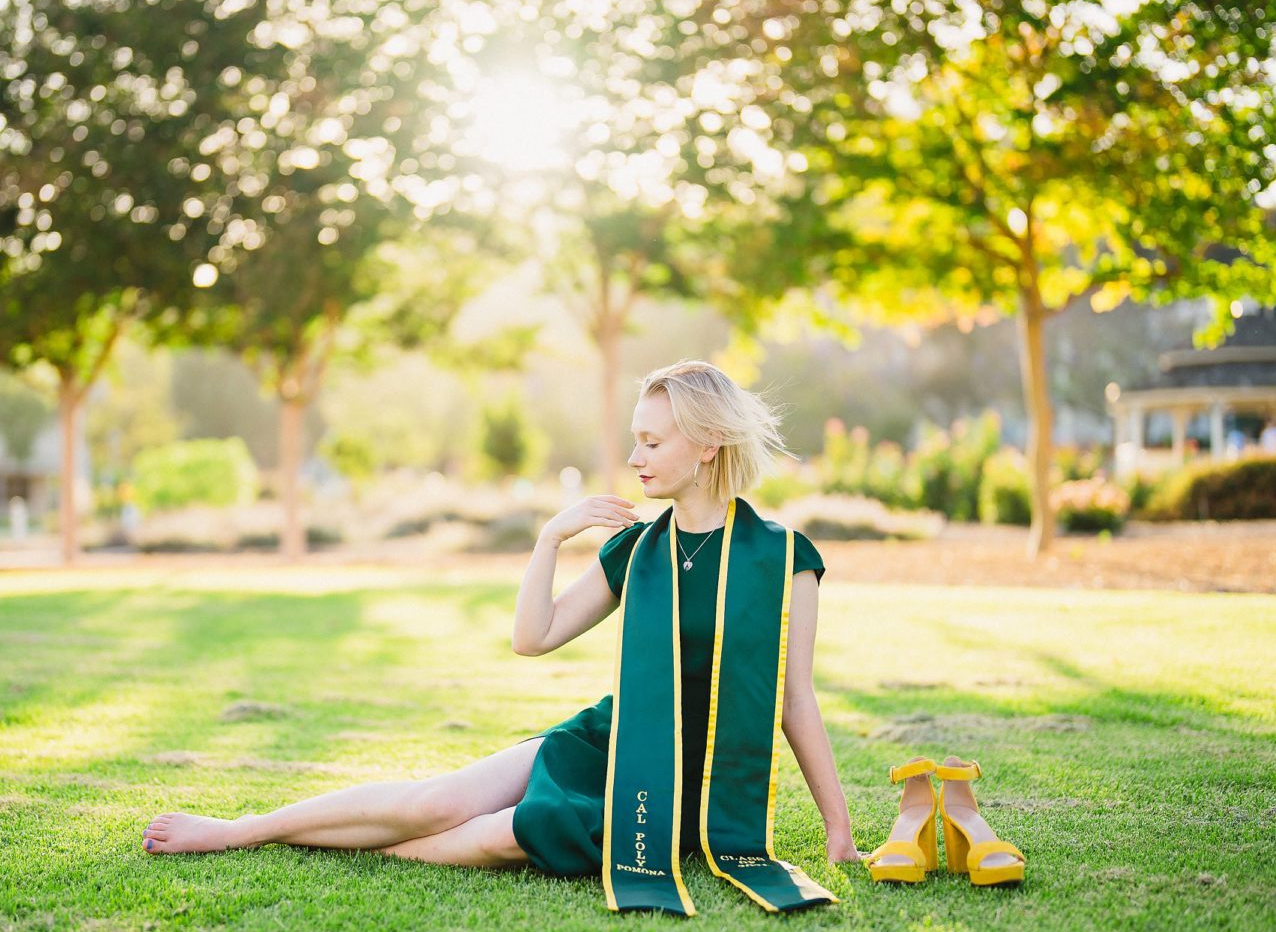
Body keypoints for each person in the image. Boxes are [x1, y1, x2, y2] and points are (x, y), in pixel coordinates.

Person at [140, 360, 865, 874]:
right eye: (636, 439)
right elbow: (533, 637)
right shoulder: (638, 550)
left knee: (500, 836)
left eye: (652, 441)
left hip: (677, 784)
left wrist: (839, 832)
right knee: (438, 799)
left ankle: (355, 847)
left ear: (706, 446)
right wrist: (552, 536)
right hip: (614, 735)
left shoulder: (783, 557)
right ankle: (244, 831)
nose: (635, 457)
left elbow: (795, 702)